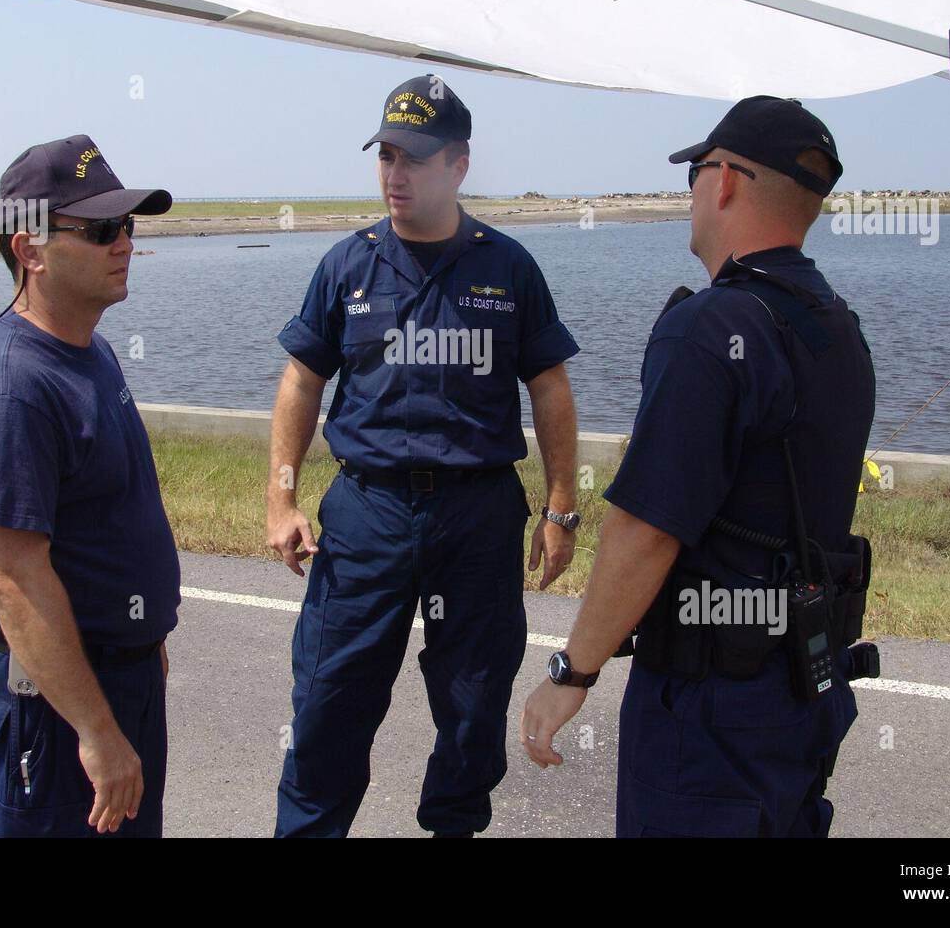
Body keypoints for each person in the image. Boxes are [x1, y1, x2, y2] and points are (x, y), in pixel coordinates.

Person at [520, 96, 877, 838]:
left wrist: (573, 673)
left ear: (724, 182)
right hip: (802, 691)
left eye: (696, 173)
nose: (690, 194)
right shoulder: (839, 325)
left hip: (712, 711)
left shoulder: (709, 327)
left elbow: (645, 529)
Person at [269, 74, 582, 837]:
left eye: (412, 157)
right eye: (385, 156)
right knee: (329, 703)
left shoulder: (506, 268)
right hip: (367, 510)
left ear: (459, 165)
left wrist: (562, 508)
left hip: (476, 515)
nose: (394, 174)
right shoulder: (349, 265)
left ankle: (452, 825)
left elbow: (549, 389)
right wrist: (281, 496)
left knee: (474, 707)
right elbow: (302, 379)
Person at [0, 134, 179, 837]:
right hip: (46, 715)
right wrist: (98, 731)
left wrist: (143, 633)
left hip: (113, 685)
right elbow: (13, 577)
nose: (125, 243)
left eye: (129, 225)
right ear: (31, 250)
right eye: (103, 229)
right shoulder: (12, 387)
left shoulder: (90, 351)